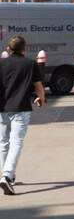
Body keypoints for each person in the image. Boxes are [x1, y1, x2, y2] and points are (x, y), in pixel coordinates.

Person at [0, 35, 45, 195]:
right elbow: (38, 85)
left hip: (3, 108)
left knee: (3, 142)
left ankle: (7, 175)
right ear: (24, 48)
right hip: (21, 108)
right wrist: (41, 98)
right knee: (16, 142)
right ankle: (6, 175)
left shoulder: (1, 63)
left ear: (9, 48)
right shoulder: (30, 64)